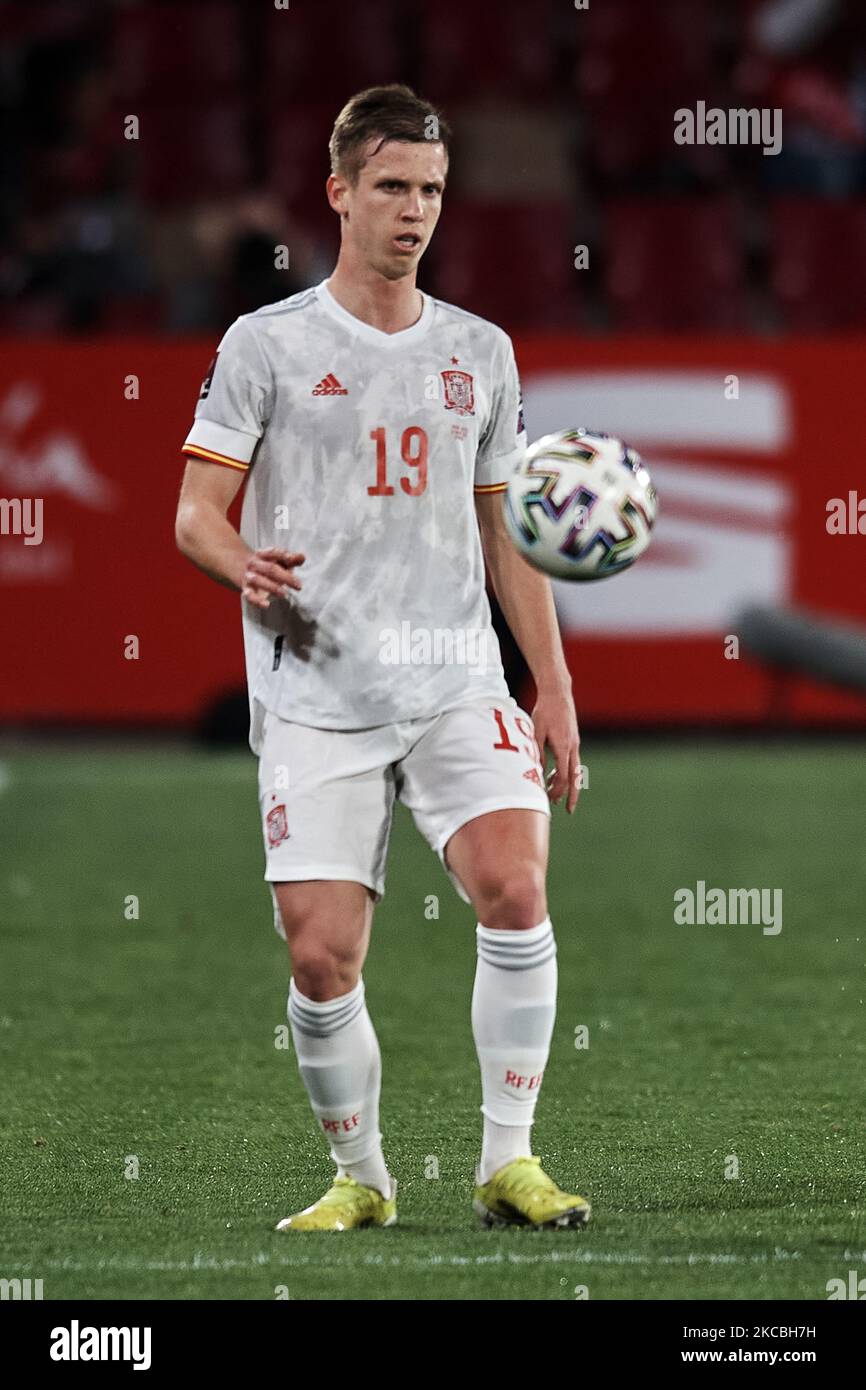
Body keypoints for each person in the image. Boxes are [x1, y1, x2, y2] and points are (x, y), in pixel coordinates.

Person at [175, 84, 589, 1232]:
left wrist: (548, 681)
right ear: (339, 193)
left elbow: (505, 533)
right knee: (320, 958)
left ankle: (508, 1160)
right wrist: (239, 563)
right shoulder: (267, 344)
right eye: (393, 187)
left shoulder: (481, 352)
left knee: (514, 887)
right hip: (317, 692)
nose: (414, 212)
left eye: (432, 192)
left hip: (457, 677)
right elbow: (196, 513)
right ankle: (363, 1176)